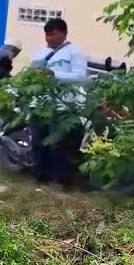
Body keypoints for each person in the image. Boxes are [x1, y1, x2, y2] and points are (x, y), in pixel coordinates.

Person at [28, 18, 90, 186]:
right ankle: (40, 176)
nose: (48, 38)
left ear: (63, 33)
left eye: (52, 34)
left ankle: (61, 180)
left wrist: (54, 74)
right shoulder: (40, 51)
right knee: (38, 142)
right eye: (46, 35)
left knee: (60, 146)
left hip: (63, 106)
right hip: (40, 104)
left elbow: (79, 77)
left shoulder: (75, 51)